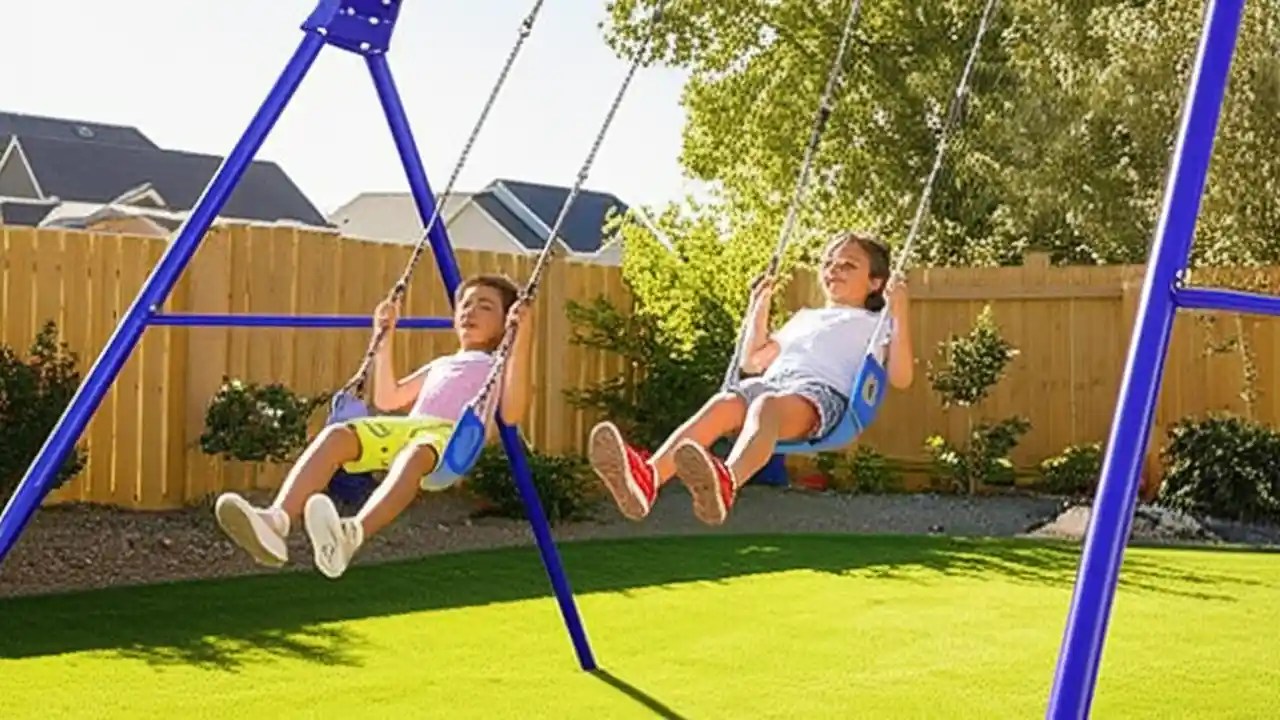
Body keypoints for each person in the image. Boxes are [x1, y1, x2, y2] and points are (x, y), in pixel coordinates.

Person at [213, 274, 534, 579]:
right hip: (411, 429)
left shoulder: (498, 367)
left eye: (485, 305)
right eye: (465, 304)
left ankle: (352, 534)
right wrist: (384, 338)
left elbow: (511, 413)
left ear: (507, 322)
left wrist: (523, 338)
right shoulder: (441, 365)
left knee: (415, 453)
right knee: (339, 435)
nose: (470, 311)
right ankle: (277, 520)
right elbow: (388, 397)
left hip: (450, 439)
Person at [588, 230, 915, 526]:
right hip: (773, 385)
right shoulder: (806, 318)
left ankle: (728, 480)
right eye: (829, 262)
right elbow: (754, 360)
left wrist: (899, 310)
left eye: (848, 265)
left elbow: (901, 378)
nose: (833, 270)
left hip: (820, 396)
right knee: (724, 403)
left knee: (765, 406)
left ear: (876, 282)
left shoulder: (876, 323)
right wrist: (758, 308)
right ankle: (648, 480)